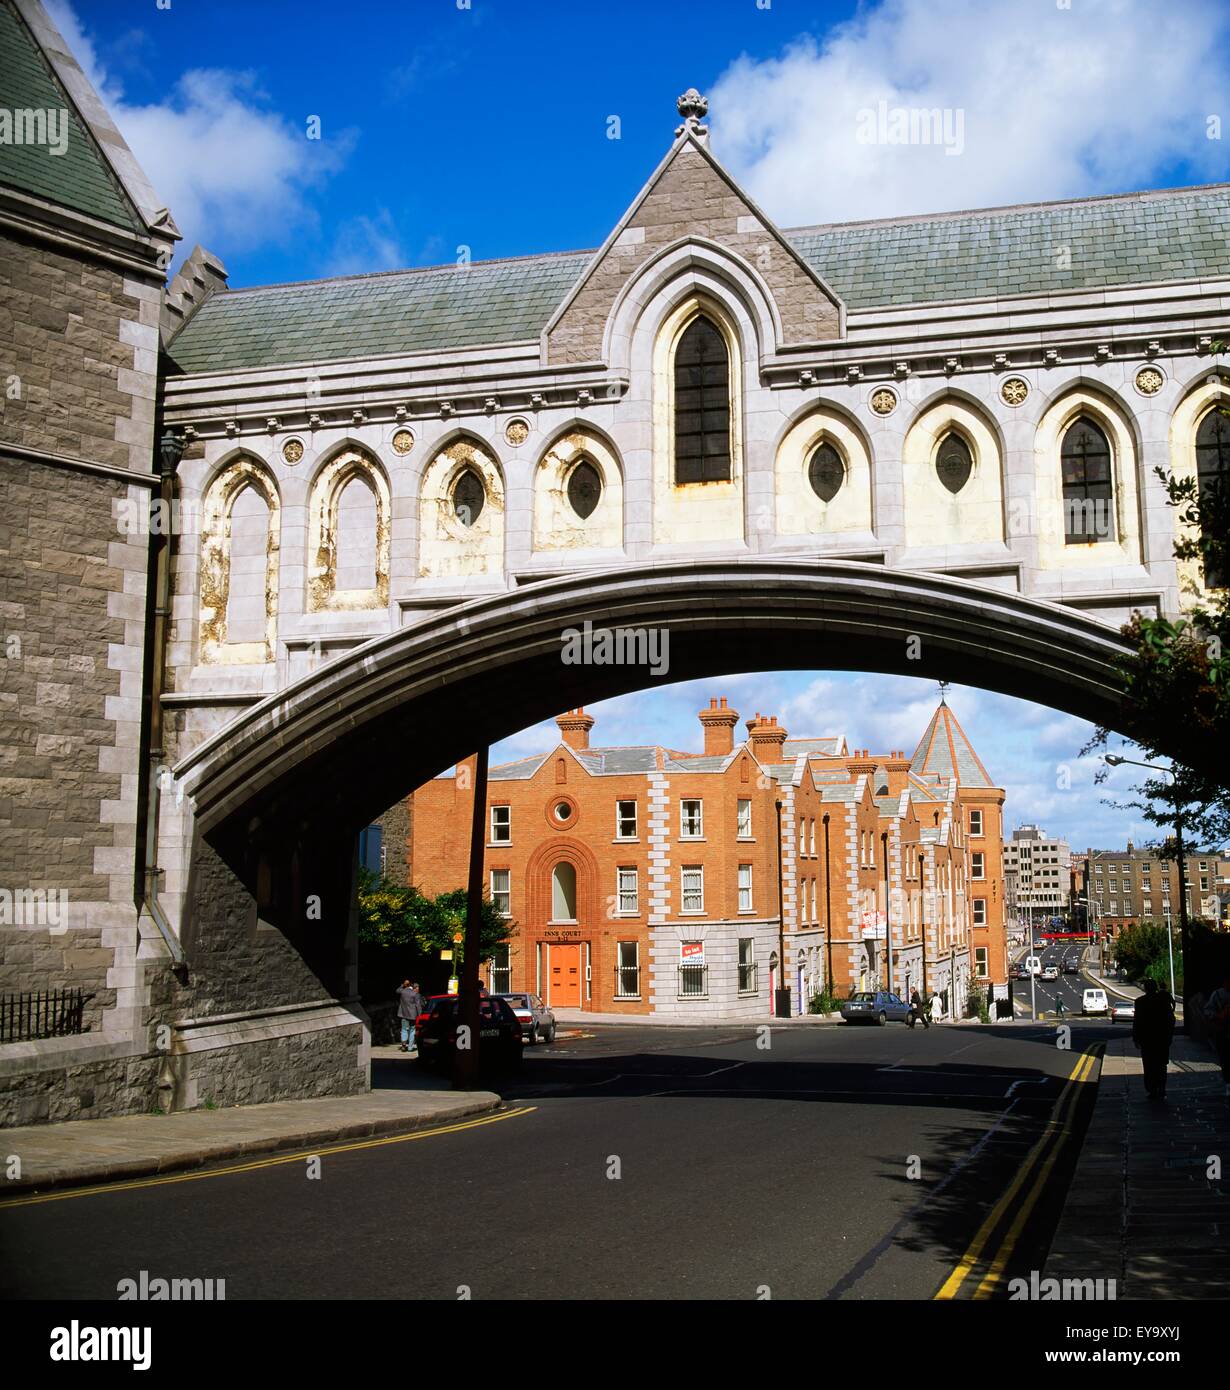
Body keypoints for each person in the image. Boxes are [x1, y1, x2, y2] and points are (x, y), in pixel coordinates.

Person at [1132, 978, 1176, 1101]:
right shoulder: (1163, 1001)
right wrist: (1169, 1036)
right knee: (1161, 1065)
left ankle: (1151, 1090)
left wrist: (1136, 1038)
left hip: (1147, 1040)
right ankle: (1161, 1089)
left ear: (1145, 988)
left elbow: (1137, 1021)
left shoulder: (1140, 1002)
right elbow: (1171, 1020)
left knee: (1148, 1065)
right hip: (1162, 1039)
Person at [1203, 970, 1230, 1097]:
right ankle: (1228, 1082)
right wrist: (1218, 1016)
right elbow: (1208, 1011)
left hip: (1223, 1031)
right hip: (1223, 1031)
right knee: (1225, 1058)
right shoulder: (1218, 994)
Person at [395, 979, 425, 1053]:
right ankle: (410, 1048)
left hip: (404, 1015)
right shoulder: (415, 994)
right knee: (412, 1030)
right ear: (414, 988)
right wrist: (420, 1015)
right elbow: (418, 1006)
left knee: (404, 1029)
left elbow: (397, 990)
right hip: (413, 1016)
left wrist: (403, 985)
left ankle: (404, 1044)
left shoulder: (403, 991)